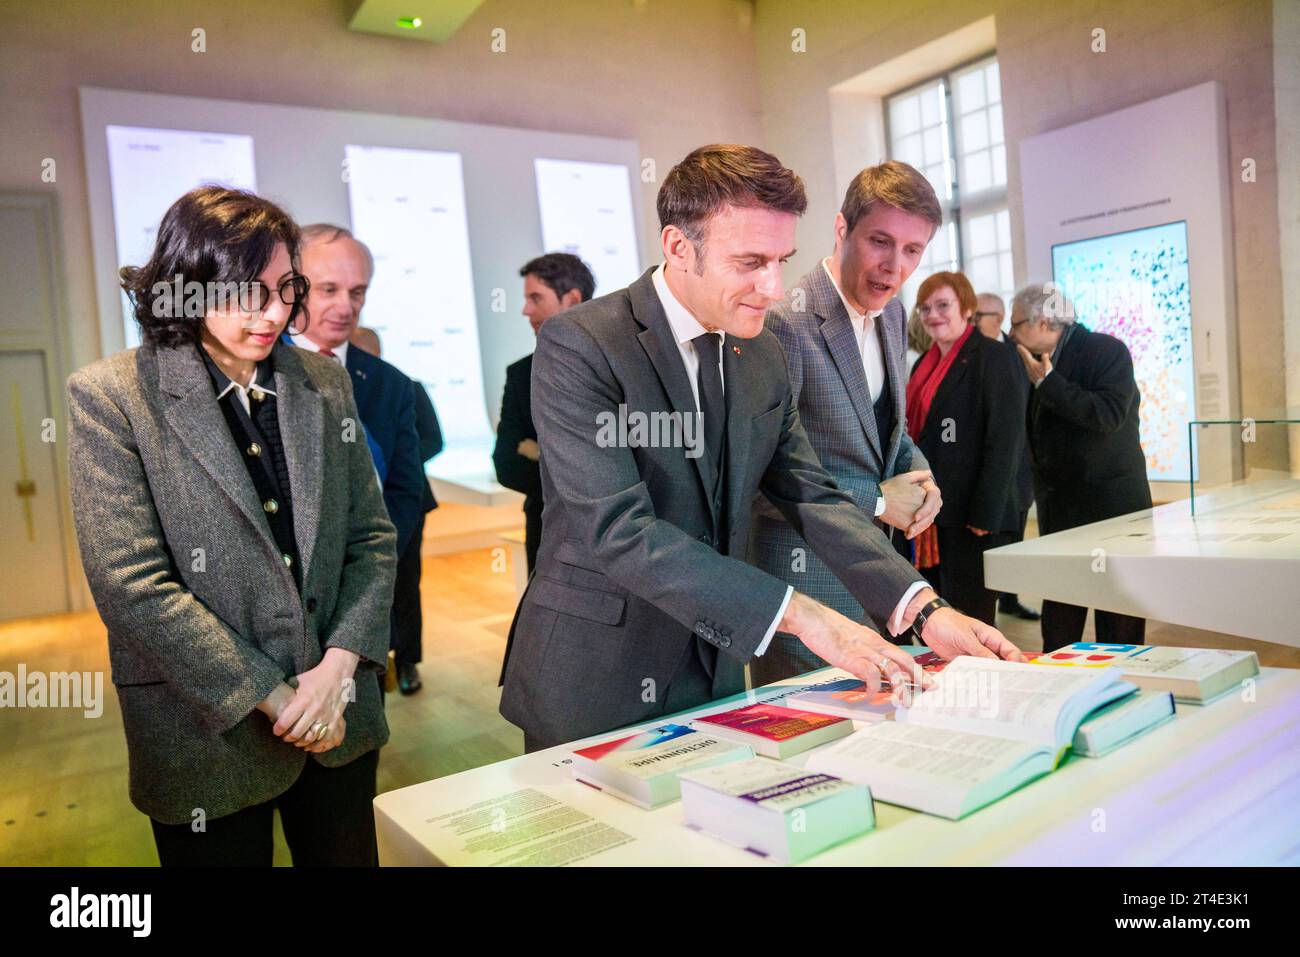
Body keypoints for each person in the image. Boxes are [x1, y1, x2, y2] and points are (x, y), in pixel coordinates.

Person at [499, 144, 1022, 752]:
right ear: (678, 247)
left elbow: (809, 492)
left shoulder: (762, 351)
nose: (773, 288)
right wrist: (804, 614)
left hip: (717, 668)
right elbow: (620, 530)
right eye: (750, 262)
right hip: (599, 668)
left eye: (781, 261)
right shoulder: (584, 344)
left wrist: (927, 610)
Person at [67, 186, 396, 866]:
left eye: (286, 288)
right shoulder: (112, 397)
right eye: (249, 292)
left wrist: (337, 671)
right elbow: (131, 584)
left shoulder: (324, 384)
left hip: (337, 718)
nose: (276, 312)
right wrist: (275, 698)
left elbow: (371, 538)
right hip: (206, 735)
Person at [750, 161, 943, 684]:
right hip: (807, 585)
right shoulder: (783, 322)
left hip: (877, 575)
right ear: (842, 229)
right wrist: (881, 500)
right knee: (814, 749)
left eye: (913, 251)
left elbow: (886, 431)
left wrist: (921, 477)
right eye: (880, 241)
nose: (894, 267)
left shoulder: (895, 313)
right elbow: (757, 483)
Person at [291, 225, 426, 692]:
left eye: (358, 292)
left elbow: (406, 491)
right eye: (329, 290)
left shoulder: (391, 385)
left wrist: (369, 569)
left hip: (364, 607)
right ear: (294, 286)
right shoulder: (259, 371)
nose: (346, 306)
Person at [1009, 283, 1152, 650]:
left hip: (1113, 511)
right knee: (1059, 621)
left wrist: (1047, 382)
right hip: (1061, 513)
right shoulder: (1030, 361)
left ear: (1042, 322)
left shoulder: (1106, 350)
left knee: (1118, 618)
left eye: (1017, 324)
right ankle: (1057, 692)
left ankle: (1121, 691)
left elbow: (1107, 415)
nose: (1011, 334)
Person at [906, 271, 1027, 625]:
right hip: (933, 513)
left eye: (943, 305)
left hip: (974, 517)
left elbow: (1004, 442)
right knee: (936, 616)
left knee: (973, 619)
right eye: (925, 308)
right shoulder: (923, 365)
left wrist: (984, 514)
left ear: (968, 308)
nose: (932, 315)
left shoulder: (995, 357)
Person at [350, 327, 445, 694]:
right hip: (359, 510)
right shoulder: (332, 390)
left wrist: (392, 463)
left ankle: (407, 662)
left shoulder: (405, 386)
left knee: (406, 585)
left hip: (407, 503)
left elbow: (433, 440)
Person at [493, 253, 595, 577]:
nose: (526, 310)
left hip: (615, 542)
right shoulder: (521, 374)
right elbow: (507, 464)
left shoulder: (621, 367)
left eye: (535, 298)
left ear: (572, 299)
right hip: (544, 536)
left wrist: (541, 454)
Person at [973, 292, 1039, 622]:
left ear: (997, 318)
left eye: (977, 316)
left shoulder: (1016, 354)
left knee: (1014, 536)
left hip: (1018, 465)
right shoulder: (970, 353)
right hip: (986, 466)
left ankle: (1010, 596)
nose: (971, 322)